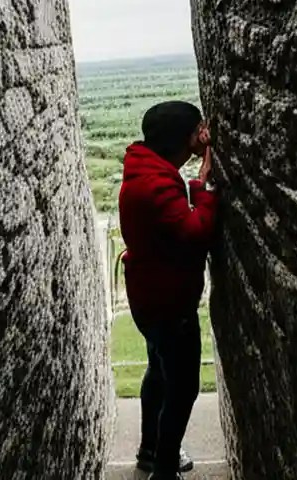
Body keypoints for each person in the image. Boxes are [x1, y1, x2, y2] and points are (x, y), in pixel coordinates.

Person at [118, 101, 218, 480]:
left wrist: (198, 149)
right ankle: (163, 468)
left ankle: (149, 450)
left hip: (148, 295)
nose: (203, 135)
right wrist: (204, 184)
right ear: (183, 140)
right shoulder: (157, 184)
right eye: (198, 130)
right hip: (167, 302)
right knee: (183, 387)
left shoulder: (144, 169)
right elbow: (195, 235)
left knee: (158, 373)